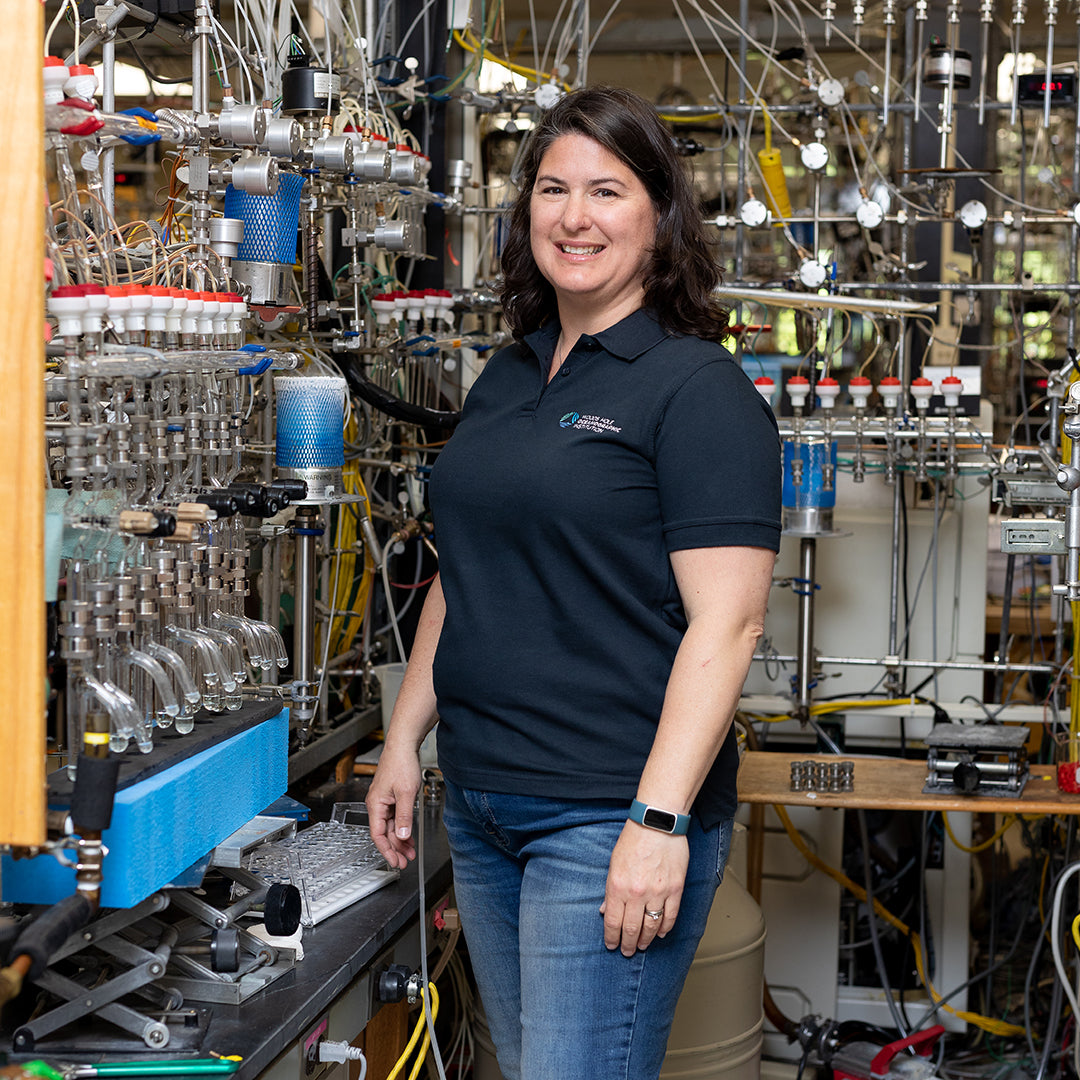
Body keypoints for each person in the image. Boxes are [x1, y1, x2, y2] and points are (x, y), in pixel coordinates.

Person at [366, 84, 781, 1080]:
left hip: (603, 812)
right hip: (482, 802)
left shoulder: (698, 389)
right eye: (553, 189)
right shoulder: (507, 375)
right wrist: (403, 739)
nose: (574, 217)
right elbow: (467, 573)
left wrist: (658, 821)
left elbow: (727, 625)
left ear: (659, 217)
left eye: (607, 190)